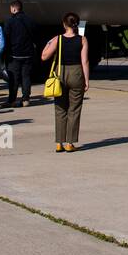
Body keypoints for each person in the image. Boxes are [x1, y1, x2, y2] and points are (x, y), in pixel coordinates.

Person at [40, 13, 91, 153]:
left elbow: (44, 57)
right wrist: (86, 79)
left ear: (64, 24)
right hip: (76, 73)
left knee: (60, 108)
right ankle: (70, 143)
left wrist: (48, 43)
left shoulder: (58, 39)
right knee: (74, 109)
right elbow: (85, 61)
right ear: (77, 24)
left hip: (60, 73)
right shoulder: (82, 40)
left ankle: (59, 142)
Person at [2, 0, 36, 107]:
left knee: (14, 78)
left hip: (14, 54)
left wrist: (5, 52)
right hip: (28, 53)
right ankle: (26, 99)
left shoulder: (10, 21)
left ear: (13, 8)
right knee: (26, 77)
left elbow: (6, 37)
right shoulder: (30, 20)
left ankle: (12, 100)